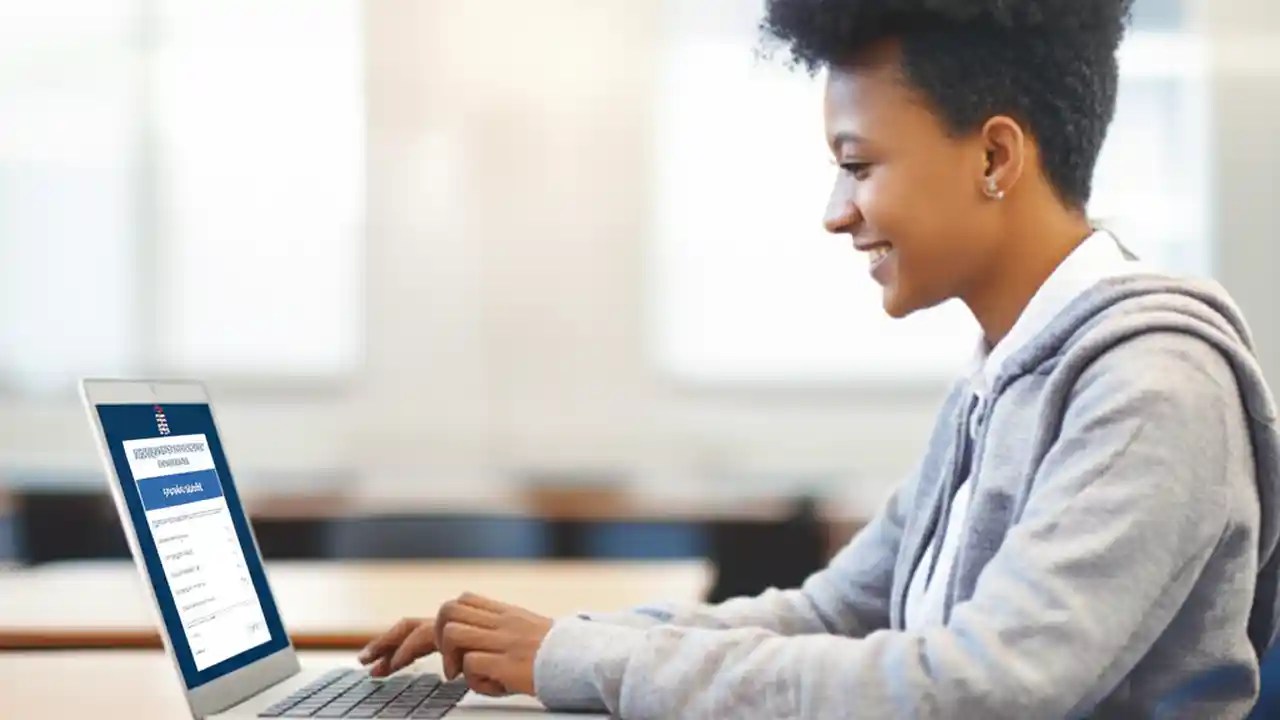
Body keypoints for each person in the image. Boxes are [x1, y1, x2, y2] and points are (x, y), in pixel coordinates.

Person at [358, 0, 1280, 716]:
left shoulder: (1154, 386)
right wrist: (561, 640)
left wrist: (586, 662)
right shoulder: (1003, 374)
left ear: (995, 155)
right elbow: (833, 611)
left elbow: (982, 690)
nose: (837, 210)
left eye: (860, 164)